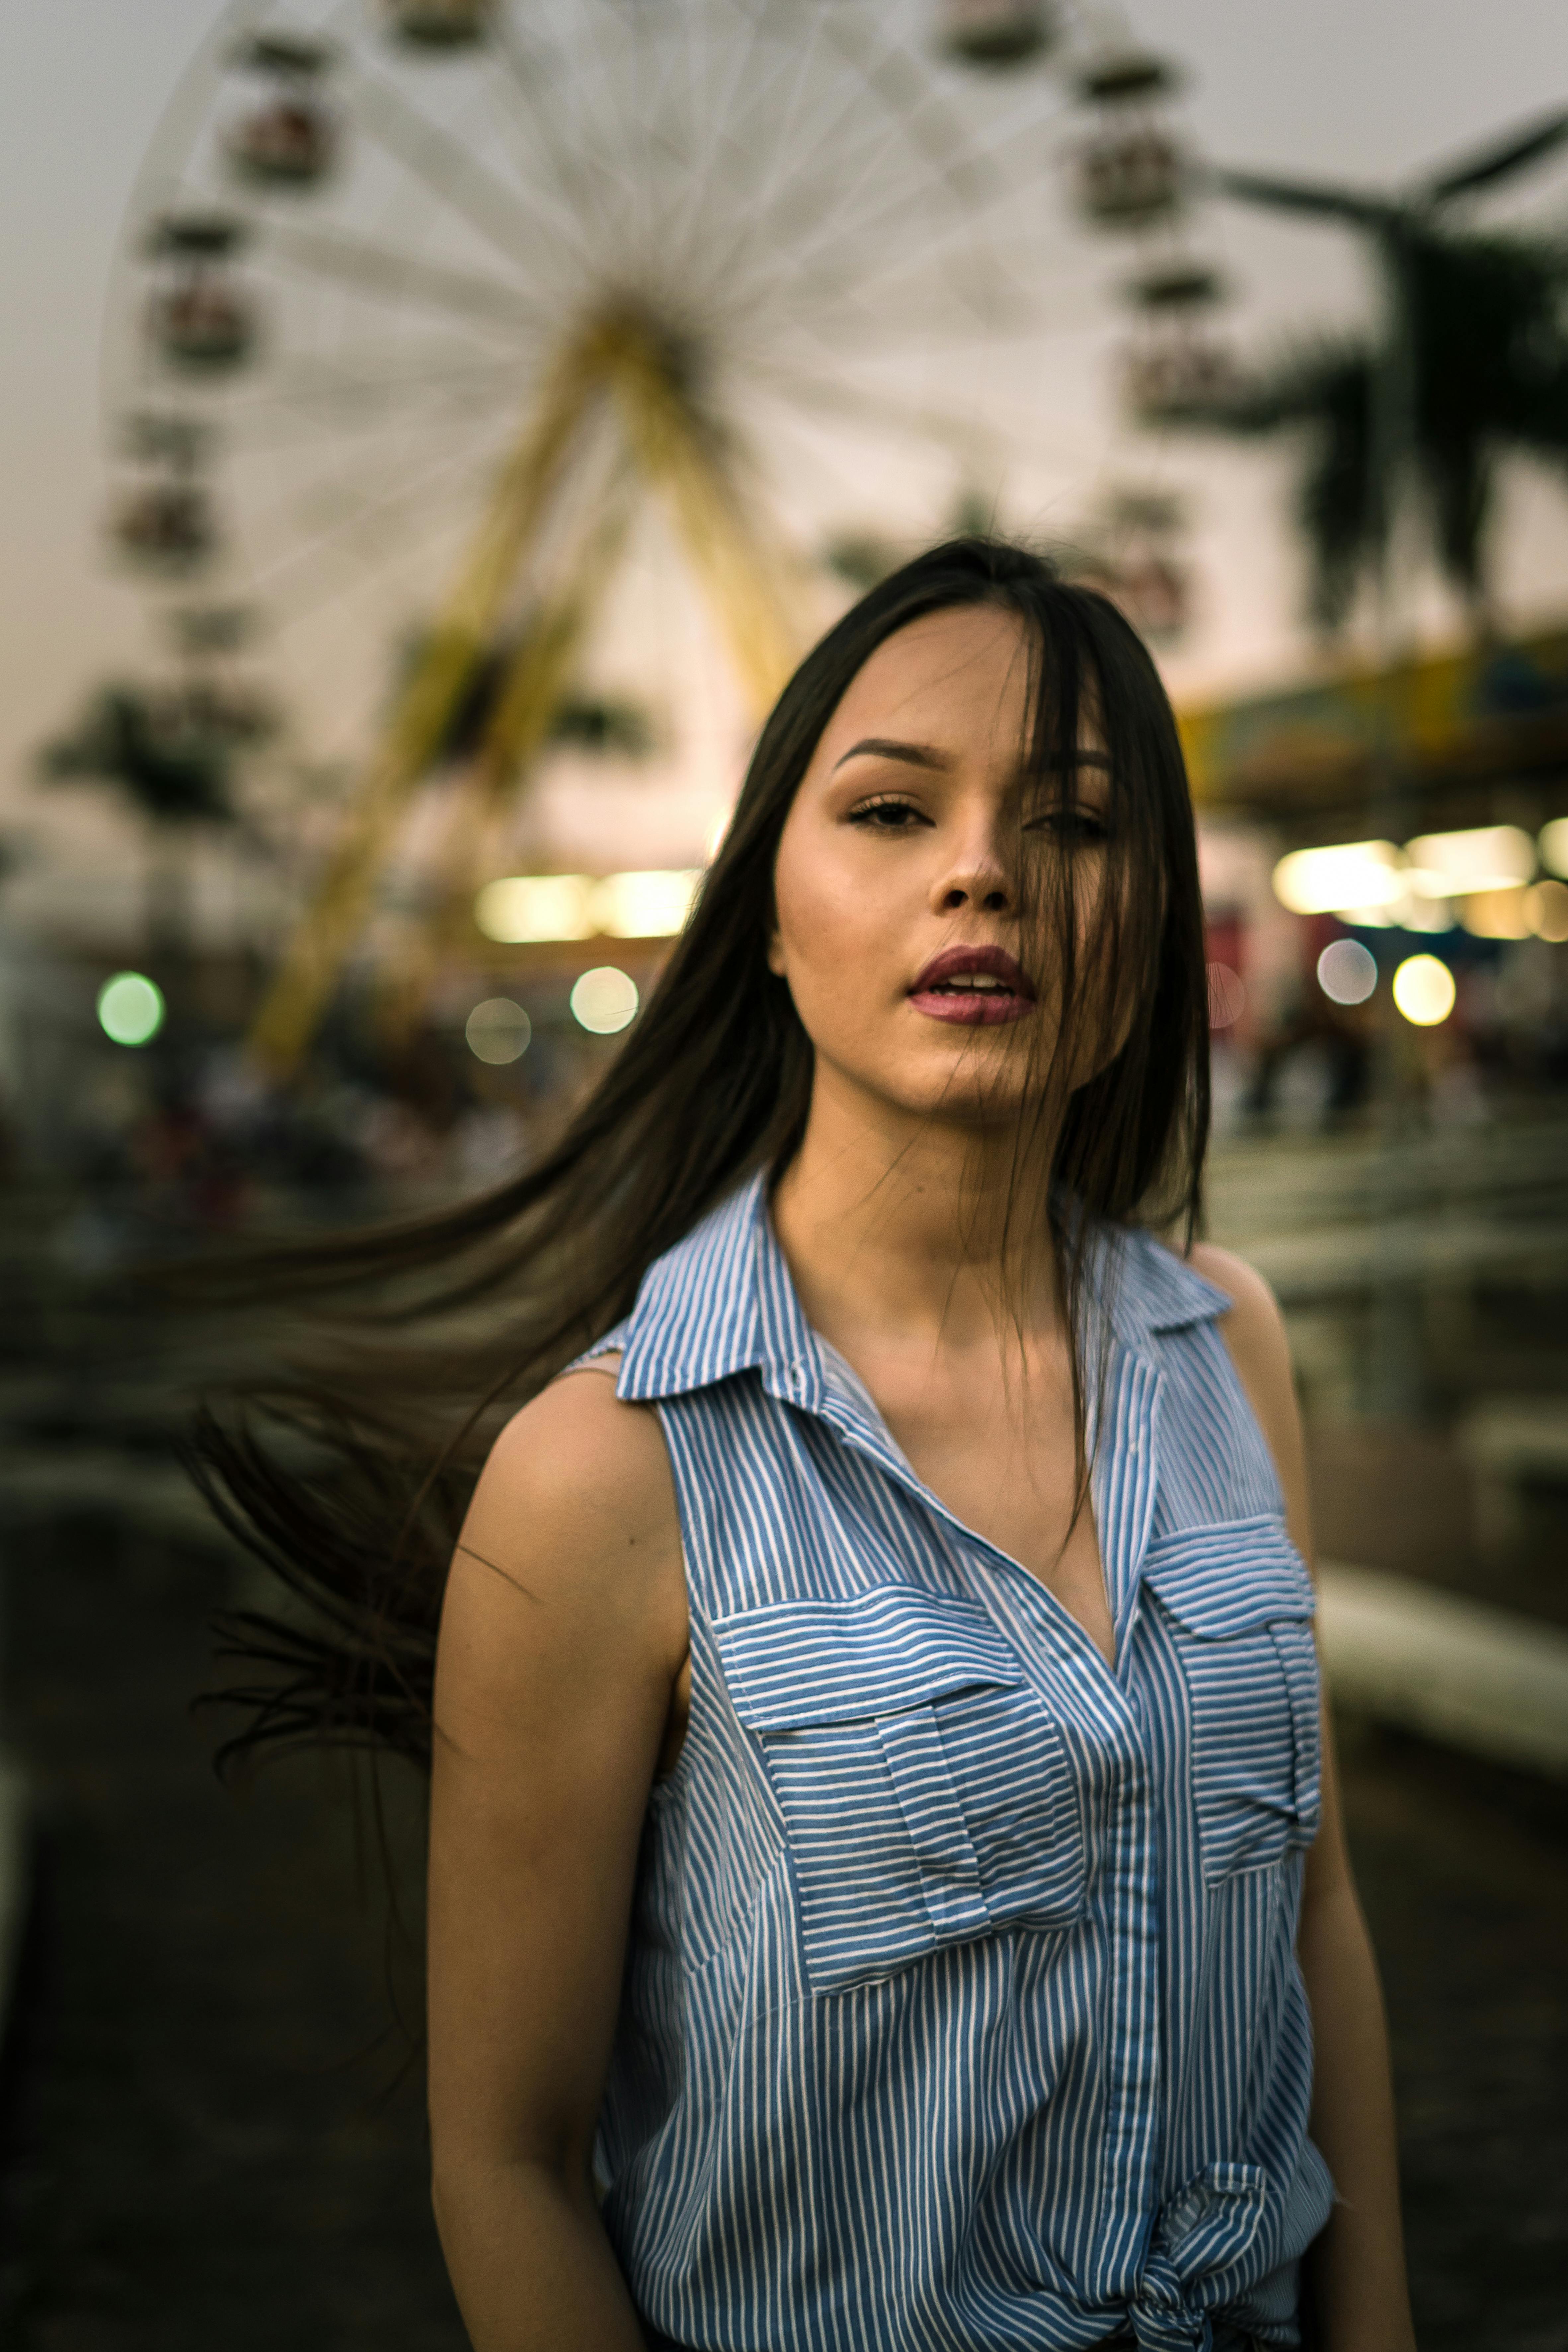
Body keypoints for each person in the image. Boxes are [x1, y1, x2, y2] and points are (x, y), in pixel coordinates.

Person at [205, 540, 1415, 2351]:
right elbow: (505, 2163)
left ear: (1150, 916)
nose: (982, 873)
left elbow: (1312, 1910)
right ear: (767, 909)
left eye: (1074, 827)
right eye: (888, 811)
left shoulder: (1227, 1349)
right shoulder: (604, 1475)